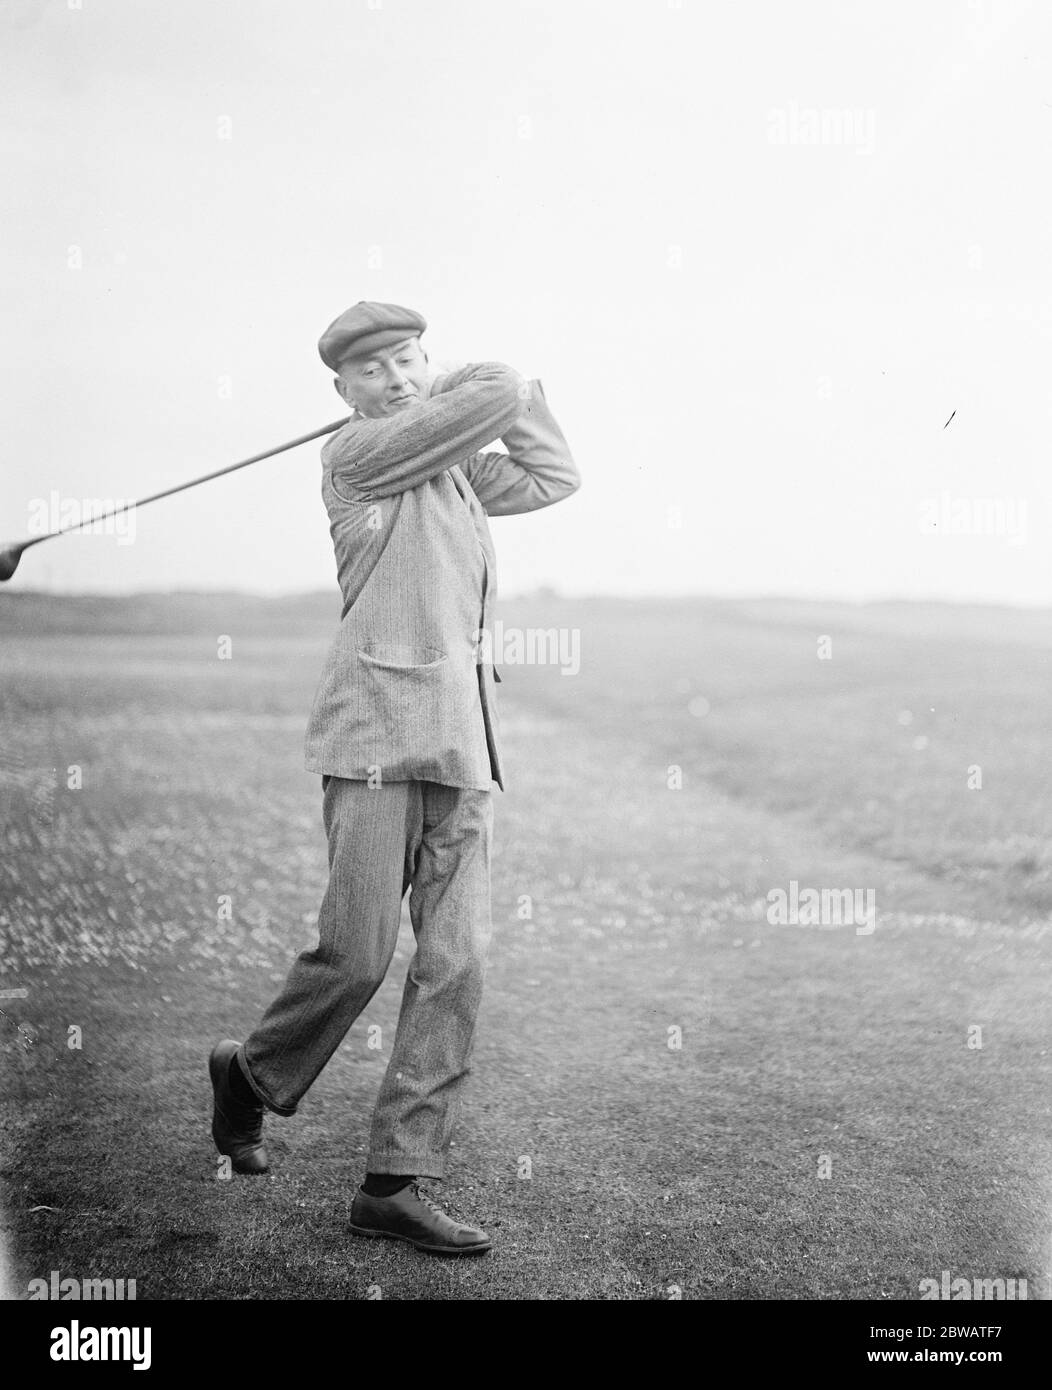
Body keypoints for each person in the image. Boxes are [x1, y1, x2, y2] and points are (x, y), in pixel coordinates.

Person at [210, 300, 580, 1255]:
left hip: (464, 742)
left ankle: (395, 1180)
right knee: (359, 955)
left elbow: (553, 474)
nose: (397, 380)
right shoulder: (357, 459)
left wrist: (520, 397)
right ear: (343, 393)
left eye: (410, 362)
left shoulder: (451, 464)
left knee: (457, 962)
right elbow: (492, 390)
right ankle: (251, 1074)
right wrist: (491, 383)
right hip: (374, 733)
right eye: (373, 373)